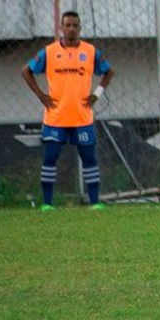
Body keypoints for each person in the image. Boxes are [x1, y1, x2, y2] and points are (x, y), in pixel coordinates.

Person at [21, 11, 115, 210]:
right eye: (68, 25)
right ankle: (47, 203)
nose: (71, 29)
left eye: (75, 25)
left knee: (89, 159)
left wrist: (97, 93)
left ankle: (95, 202)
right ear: (62, 28)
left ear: (80, 28)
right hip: (56, 117)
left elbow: (109, 71)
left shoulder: (90, 52)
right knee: (50, 158)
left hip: (82, 117)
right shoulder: (49, 52)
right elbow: (26, 70)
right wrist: (40, 95)